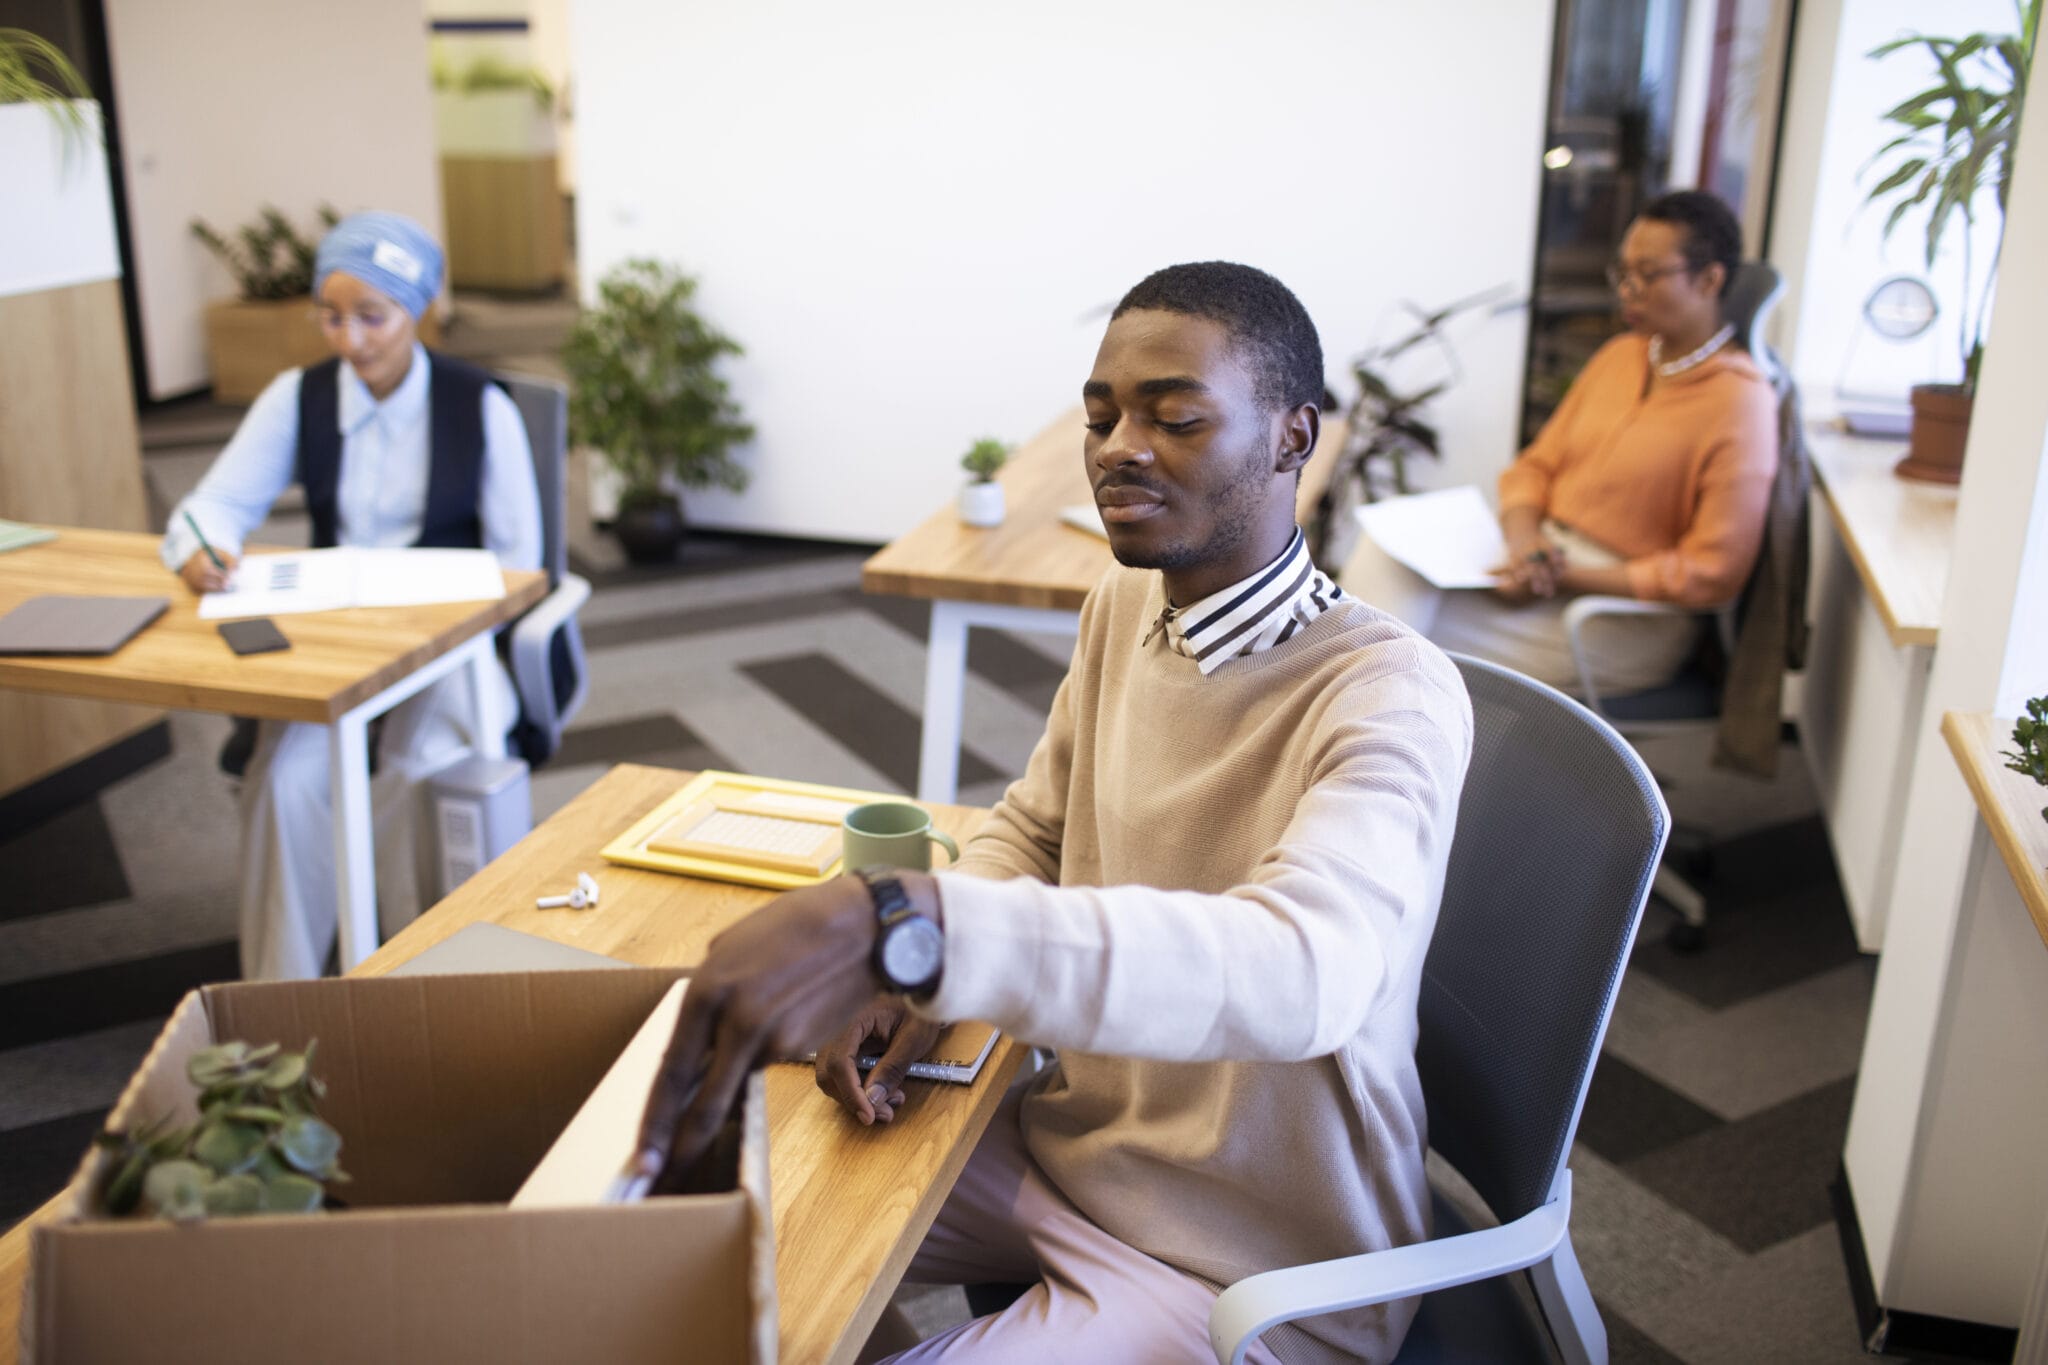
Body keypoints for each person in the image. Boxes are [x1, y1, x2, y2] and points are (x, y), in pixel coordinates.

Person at [634, 262, 1474, 1363]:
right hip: (1066, 1153)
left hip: (1250, 1262)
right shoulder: (1126, 600)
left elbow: (1302, 971)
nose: (1119, 445)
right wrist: (921, 987)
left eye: (1172, 416)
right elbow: (1030, 828)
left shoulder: (1383, 692)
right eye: (1100, 415)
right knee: (699, 1206)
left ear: (1288, 438)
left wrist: (916, 926)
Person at [161, 210, 542, 981]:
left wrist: (444, 624)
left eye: (374, 317)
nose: (351, 340)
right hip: (336, 641)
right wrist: (201, 544)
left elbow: (520, 563)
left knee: (419, 765)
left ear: (418, 311)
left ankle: (408, 980)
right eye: (331, 317)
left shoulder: (480, 406)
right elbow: (213, 505)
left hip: (447, 641)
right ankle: (283, 999)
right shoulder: (298, 397)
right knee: (285, 775)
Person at [1341, 189, 1779, 696]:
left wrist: (1564, 575)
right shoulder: (1621, 357)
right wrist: (1528, 544)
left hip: (1619, 617)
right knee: (1383, 562)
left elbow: (1713, 573)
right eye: (1623, 273)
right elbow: (1535, 467)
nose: (1628, 290)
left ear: (1709, 279)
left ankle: (1355, 749)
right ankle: (1366, 748)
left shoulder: (1740, 401)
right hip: (1542, 563)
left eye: (1649, 274)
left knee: (1384, 637)